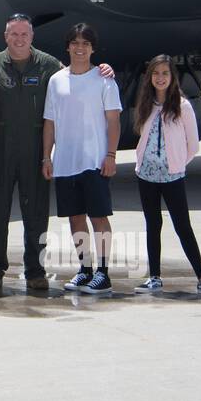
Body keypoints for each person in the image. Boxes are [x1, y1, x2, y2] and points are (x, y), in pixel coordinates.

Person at [0, 14, 113, 294]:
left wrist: (104, 69)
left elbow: (76, 73)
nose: (19, 39)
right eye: (13, 34)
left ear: (31, 37)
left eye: (24, 34)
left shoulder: (48, 66)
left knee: (36, 213)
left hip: (34, 150)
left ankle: (35, 271)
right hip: (0, 151)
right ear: (5, 37)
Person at [132, 54, 201, 295]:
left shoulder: (182, 107)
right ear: (149, 77)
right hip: (147, 175)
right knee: (153, 224)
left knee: (183, 225)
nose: (160, 78)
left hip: (172, 175)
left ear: (173, 77)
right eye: (155, 73)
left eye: (165, 73)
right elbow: (142, 135)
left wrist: (176, 164)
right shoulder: (145, 103)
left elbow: (192, 145)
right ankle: (154, 277)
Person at [42, 23, 122, 294]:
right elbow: (50, 122)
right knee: (75, 218)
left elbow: (113, 121)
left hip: (95, 160)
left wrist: (111, 154)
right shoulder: (56, 80)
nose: (80, 48)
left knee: (98, 217)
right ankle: (85, 269)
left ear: (92, 48)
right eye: (75, 43)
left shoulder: (104, 79)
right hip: (66, 162)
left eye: (85, 44)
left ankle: (103, 272)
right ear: (68, 46)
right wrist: (46, 157)